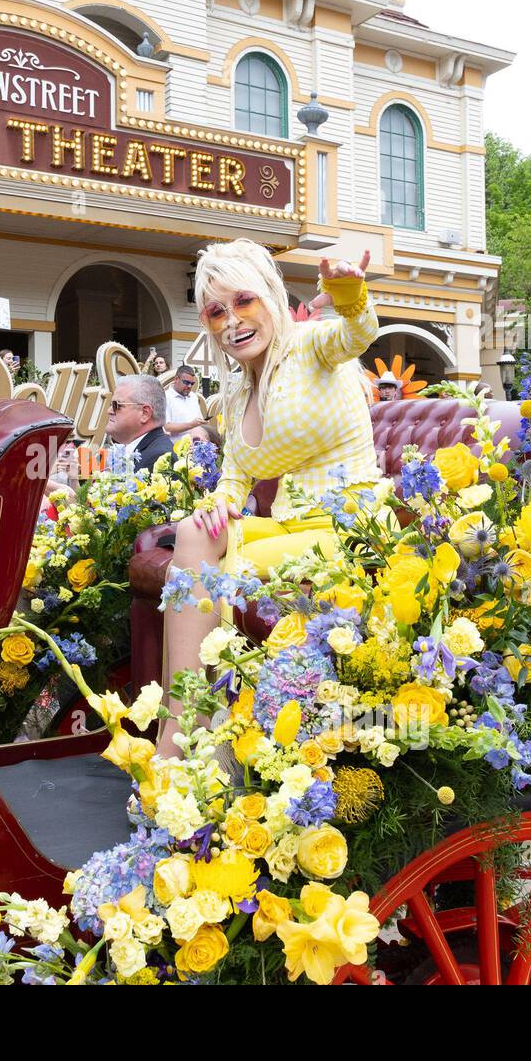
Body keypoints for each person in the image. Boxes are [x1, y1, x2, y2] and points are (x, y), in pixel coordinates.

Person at [161, 243, 380, 755]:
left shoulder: (311, 345)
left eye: (244, 301)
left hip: (348, 528)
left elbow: (359, 332)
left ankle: (181, 734)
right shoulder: (236, 389)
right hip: (287, 528)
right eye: (217, 311)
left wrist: (349, 290)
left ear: (273, 297)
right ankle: (186, 720)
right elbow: (237, 474)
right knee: (195, 532)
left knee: (191, 560)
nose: (233, 321)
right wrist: (221, 501)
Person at [106, 374, 175, 473]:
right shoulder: (142, 450)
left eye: (116, 405)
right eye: (110, 405)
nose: (109, 411)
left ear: (145, 413)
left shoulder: (160, 458)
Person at [164, 365, 206, 439]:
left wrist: (203, 422)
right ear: (176, 379)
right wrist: (191, 424)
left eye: (192, 383)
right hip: (174, 448)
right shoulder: (166, 397)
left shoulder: (193, 396)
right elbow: (167, 427)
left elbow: (199, 420)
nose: (189, 386)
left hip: (195, 447)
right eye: (186, 382)